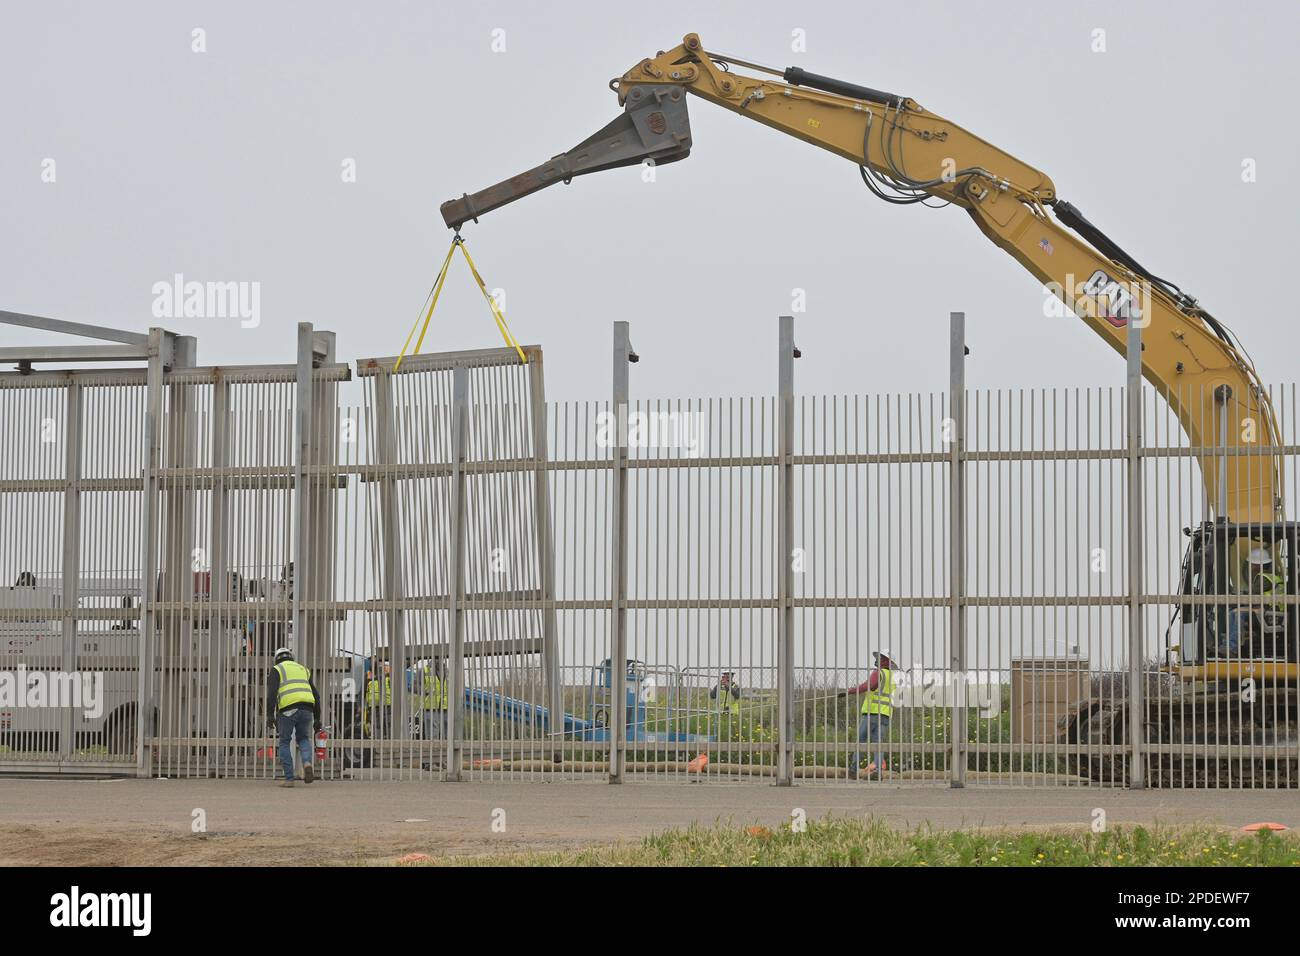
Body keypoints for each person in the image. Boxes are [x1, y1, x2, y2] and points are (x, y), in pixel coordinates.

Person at [266, 647, 321, 788]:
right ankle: (307, 763)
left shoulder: (277, 669)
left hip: (288, 709)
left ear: (276, 658)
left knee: (284, 741)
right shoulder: (303, 669)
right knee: (303, 738)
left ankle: (289, 779)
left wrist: (269, 716)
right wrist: (317, 718)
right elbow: (316, 695)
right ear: (291, 657)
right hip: (307, 708)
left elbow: (271, 694)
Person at [839, 649, 897, 779]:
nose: (877, 659)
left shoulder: (879, 672)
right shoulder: (893, 677)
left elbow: (869, 686)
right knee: (879, 743)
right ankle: (877, 771)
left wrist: (850, 691)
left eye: (880, 657)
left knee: (861, 741)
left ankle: (853, 770)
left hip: (872, 713)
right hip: (886, 714)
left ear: (886, 661)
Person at [364, 659, 393, 739]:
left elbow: (363, 693)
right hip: (382, 706)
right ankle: (385, 744)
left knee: (379, 726)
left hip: (379, 706)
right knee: (385, 726)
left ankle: (379, 745)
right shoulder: (388, 677)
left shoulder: (370, 677)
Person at [709, 671, 741, 737]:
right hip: (720, 712)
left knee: (732, 731)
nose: (726, 677)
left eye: (728, 675)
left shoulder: (736, 686)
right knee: (720, 731)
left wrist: (728, 686)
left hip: (732, 713)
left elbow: (737, 696)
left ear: (732, 676)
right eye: (725, 675)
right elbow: (712, 696)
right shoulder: (719, 686)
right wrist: (718, 686)